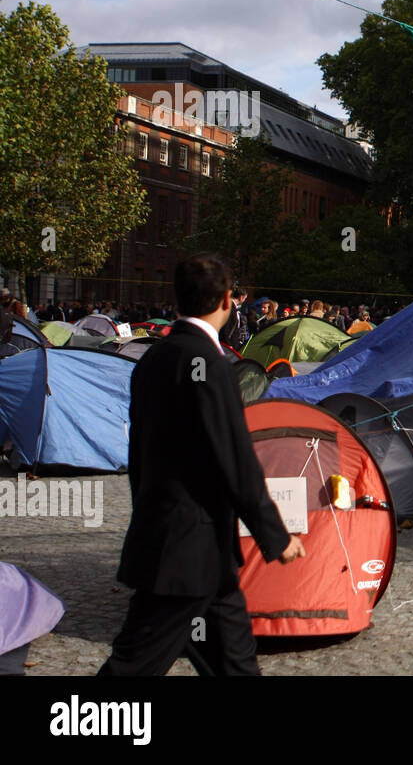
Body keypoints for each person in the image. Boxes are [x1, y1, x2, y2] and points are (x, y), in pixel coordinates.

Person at [99, 254, 306, 676]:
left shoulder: (153, 359)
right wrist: (275, 535)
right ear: (228, 299)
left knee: (235, 663)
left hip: (198, 551)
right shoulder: (210, 365)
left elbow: (139, 453)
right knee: (133, 667)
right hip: (185, 551)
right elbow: (233, 456)